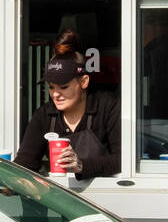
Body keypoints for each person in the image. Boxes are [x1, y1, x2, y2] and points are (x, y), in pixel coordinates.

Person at [14, 29, 121, 180]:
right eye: (51, 87)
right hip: (61, 198)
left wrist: (81, 166)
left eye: (63, 87)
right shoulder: (44, 115)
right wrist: (1, 177)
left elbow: (124, 159)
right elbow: (26, 162)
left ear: (83, 82)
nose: (55, 94)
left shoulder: (108, 107)